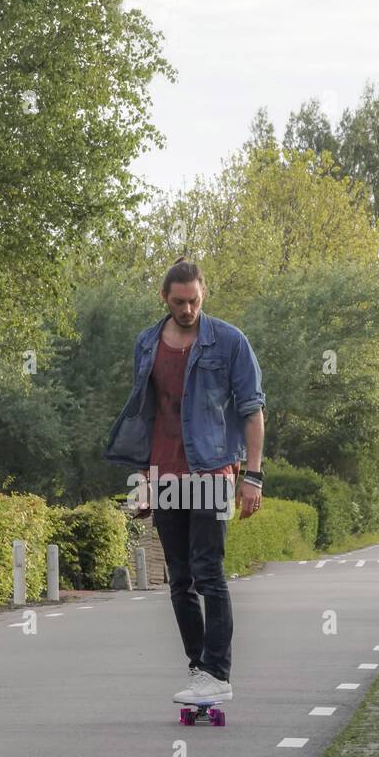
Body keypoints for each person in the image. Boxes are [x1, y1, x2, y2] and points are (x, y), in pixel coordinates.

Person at [104, 257, 265, 703]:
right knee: (179, 580)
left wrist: (253, 475)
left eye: (194, 301)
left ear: (203, 294)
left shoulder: (230, 342)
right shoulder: (147, 343)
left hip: (212, 469)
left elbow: (252, 410)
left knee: (208, 572)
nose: (188, 309)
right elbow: (145, 414)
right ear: (165, 298)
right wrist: (143, 481)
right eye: (179, 302)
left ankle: (218, 672)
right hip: (163, 474)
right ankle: (199, 669)